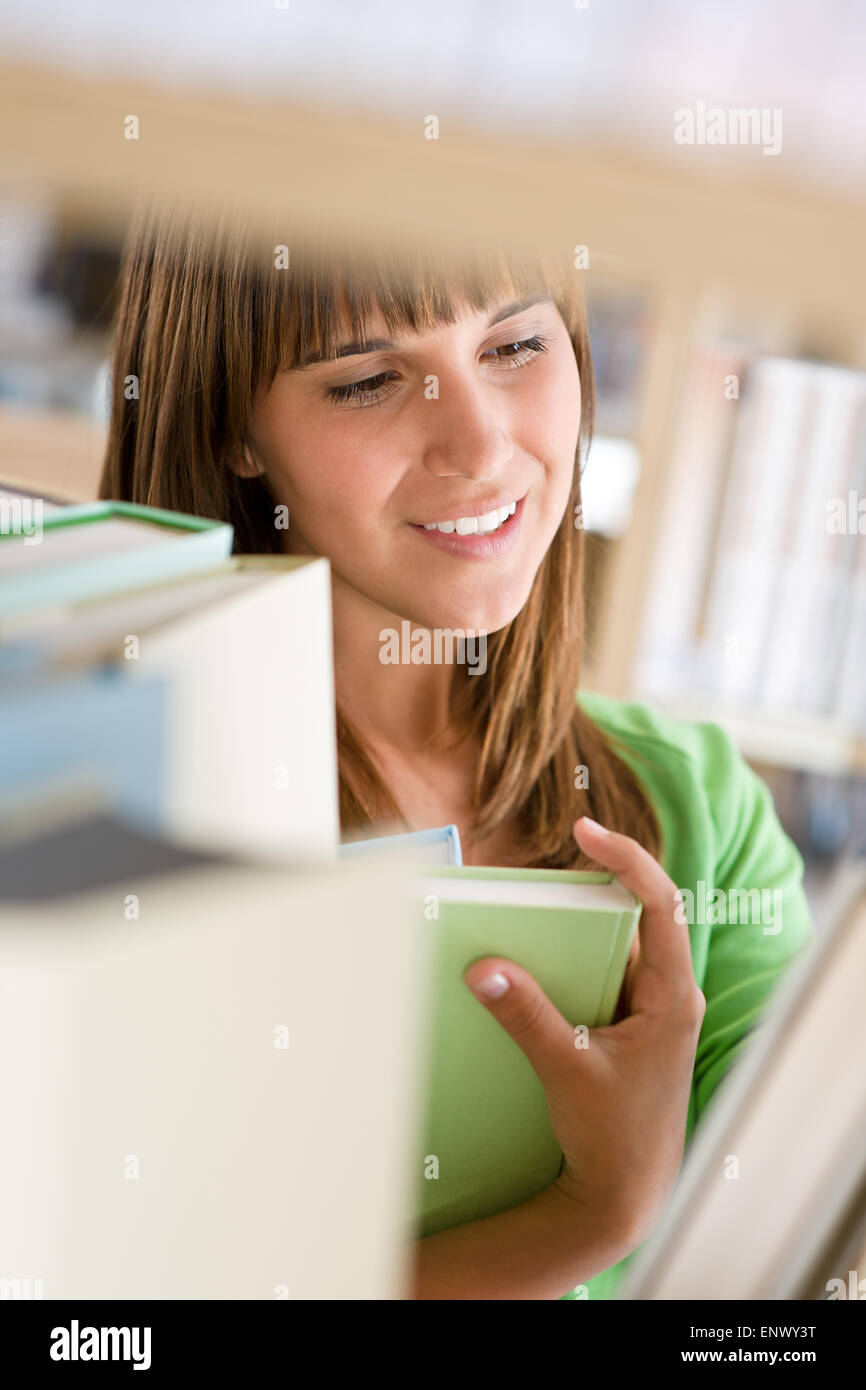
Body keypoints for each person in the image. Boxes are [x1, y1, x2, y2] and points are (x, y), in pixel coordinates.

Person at [99, 207, 813, 1299]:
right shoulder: (107, 812)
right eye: (365, 379)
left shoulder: (698, 803)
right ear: (233, 429)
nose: (479, 446)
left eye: (513, 347)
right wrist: (590, 1217)